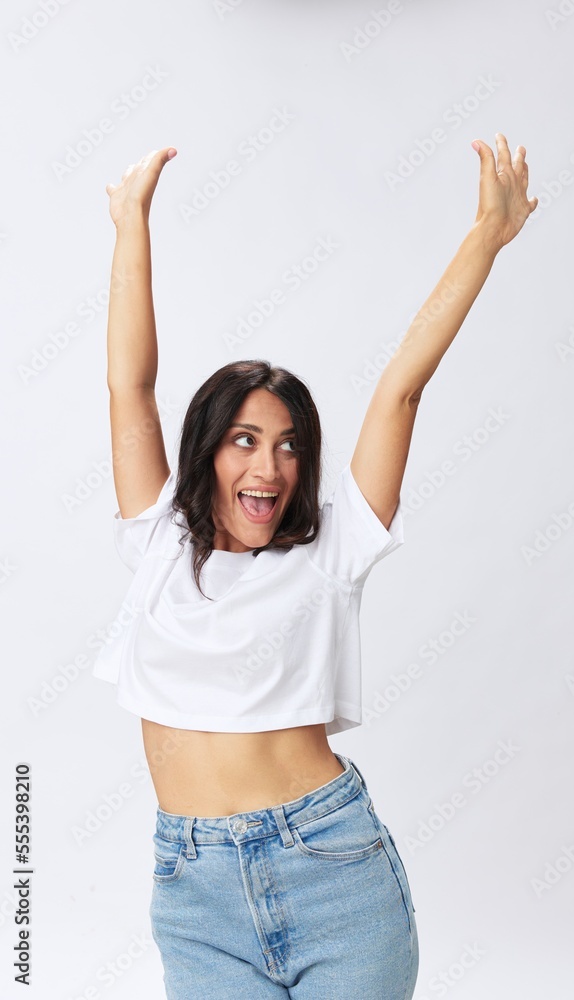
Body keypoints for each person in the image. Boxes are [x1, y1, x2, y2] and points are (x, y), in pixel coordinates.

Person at [94, 136, 537, 999]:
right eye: (245, 440)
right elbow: (129, 388)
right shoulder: (156, 543)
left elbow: (400, 389)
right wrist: (130, 223)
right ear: (206, 452)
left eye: (290, 446)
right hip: (194, 896)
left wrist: (486, 233)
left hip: (330, 867)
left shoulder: (334, 548)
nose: (269, 466)